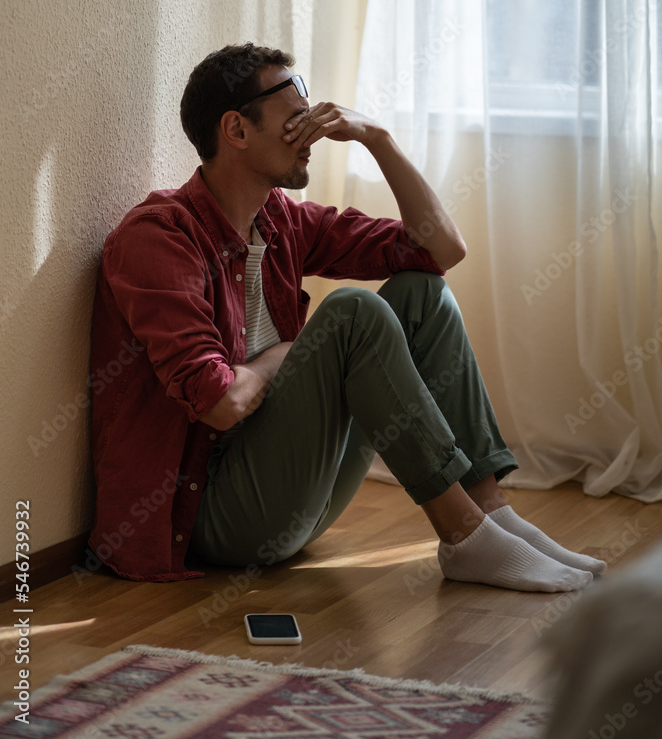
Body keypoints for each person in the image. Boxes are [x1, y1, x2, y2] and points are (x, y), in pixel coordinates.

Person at [87, 42, 606, 590]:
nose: (312, 136)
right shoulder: (160, 236)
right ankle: (465, 536)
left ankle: (491, 514)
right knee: (353, 312)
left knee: (421, 291)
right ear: (236, 130)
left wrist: (377, 138)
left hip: (297, 494)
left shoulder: (282, 222)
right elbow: (221, 404)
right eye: (296, 121)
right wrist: (284, 355)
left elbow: (441, 250)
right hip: (212, 515)